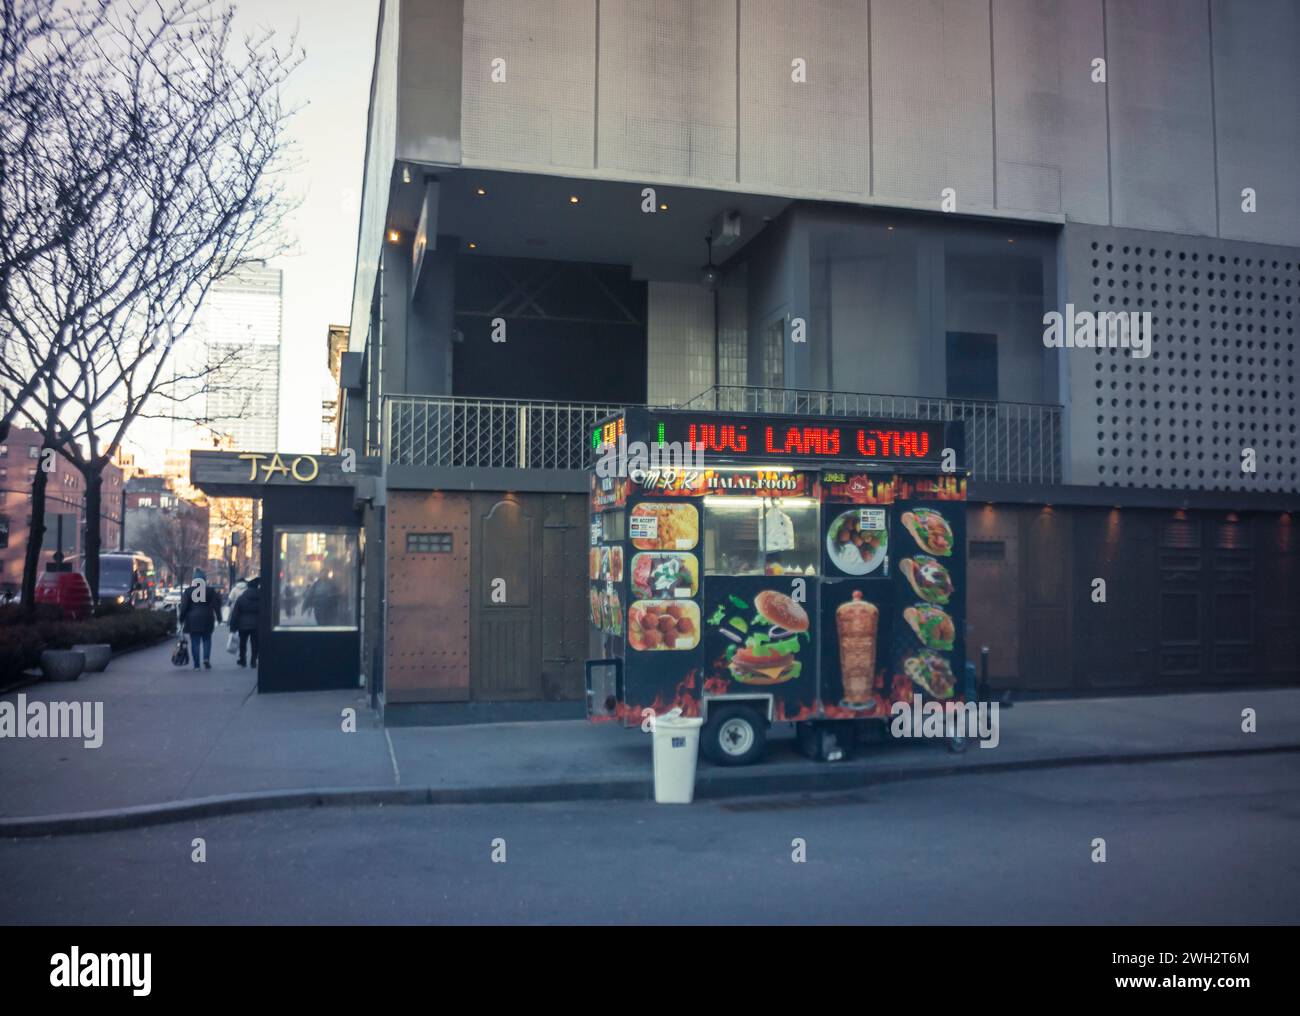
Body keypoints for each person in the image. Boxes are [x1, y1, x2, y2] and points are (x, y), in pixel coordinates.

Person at [178, 567, 223, 671]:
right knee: (207, 640)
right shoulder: (210, 591)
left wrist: (181, 619)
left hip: (192, 620)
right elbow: (216, 605)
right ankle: (206, 658)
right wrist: (219, 618)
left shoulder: (188, 591)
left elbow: (184, 606)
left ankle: (197, 665)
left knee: (195, 642)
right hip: (207, 618)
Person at [227, 576, 261, 668]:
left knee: (243, 643)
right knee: (255, 643)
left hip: (243, 625)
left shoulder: (241, 598)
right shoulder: (261, 598)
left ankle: (243, 659)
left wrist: (232, 627)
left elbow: (235, 614)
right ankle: (253, 661)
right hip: (256, 624)